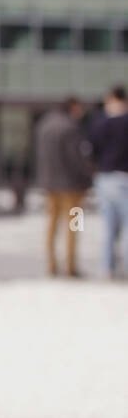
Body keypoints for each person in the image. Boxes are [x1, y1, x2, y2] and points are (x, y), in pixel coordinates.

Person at [34, 97, 94, 277]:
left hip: (50, 185)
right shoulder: (71, 128)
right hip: (72, 187)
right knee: (74, 226)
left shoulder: (44, 126)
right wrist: (88, 177)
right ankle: (70, 265)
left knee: (51, 225)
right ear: (72, 107)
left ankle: (51, 264)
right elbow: (76, 159)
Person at [88, 85, 128, 278]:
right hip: (124, 177)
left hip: (105, 178)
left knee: (108, 228)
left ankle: (107, 267)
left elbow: (91, 149)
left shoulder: (100, 122)